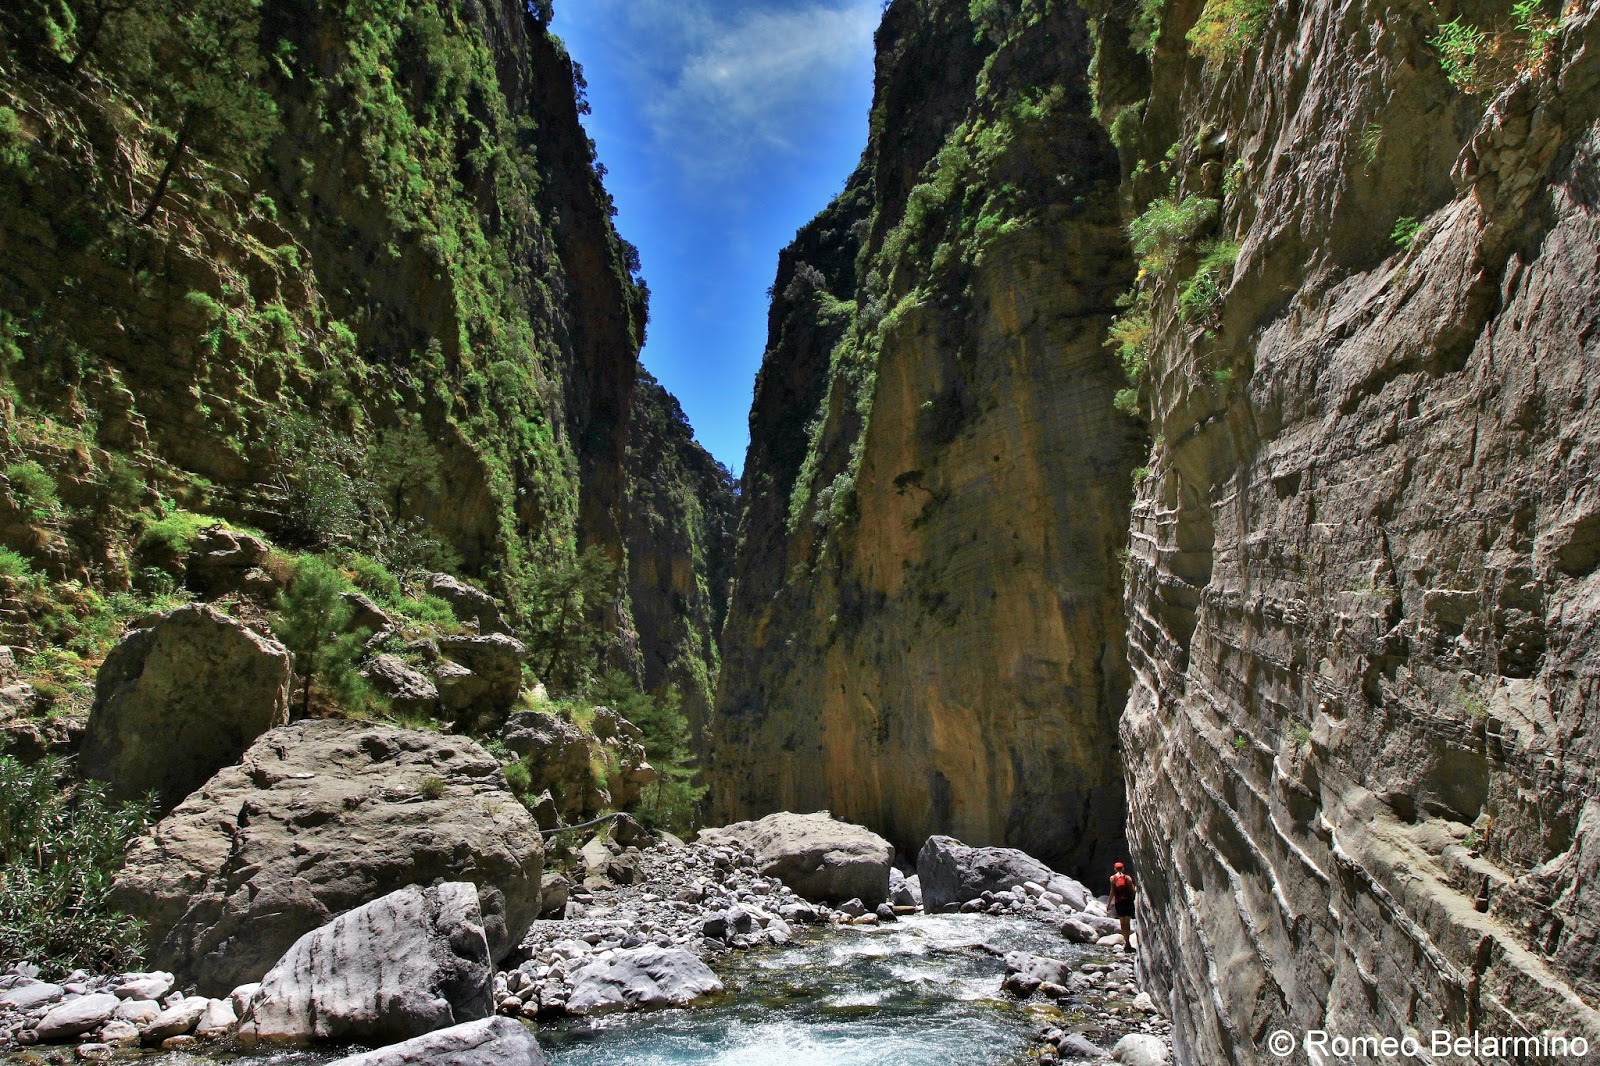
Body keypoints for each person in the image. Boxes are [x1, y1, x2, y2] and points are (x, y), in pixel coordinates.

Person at [1110, 861, 1137, 951]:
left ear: (1115, 869)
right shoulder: (1128, 878)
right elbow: (1133, 890)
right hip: (1128, 902)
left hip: (1119, 902)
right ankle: (1128, 942)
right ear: (1123, 869)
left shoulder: (1113, 878)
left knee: (1122, 923)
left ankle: (1126, 942)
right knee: (1127, 922)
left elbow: (1112, 892)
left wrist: (1109, 903)